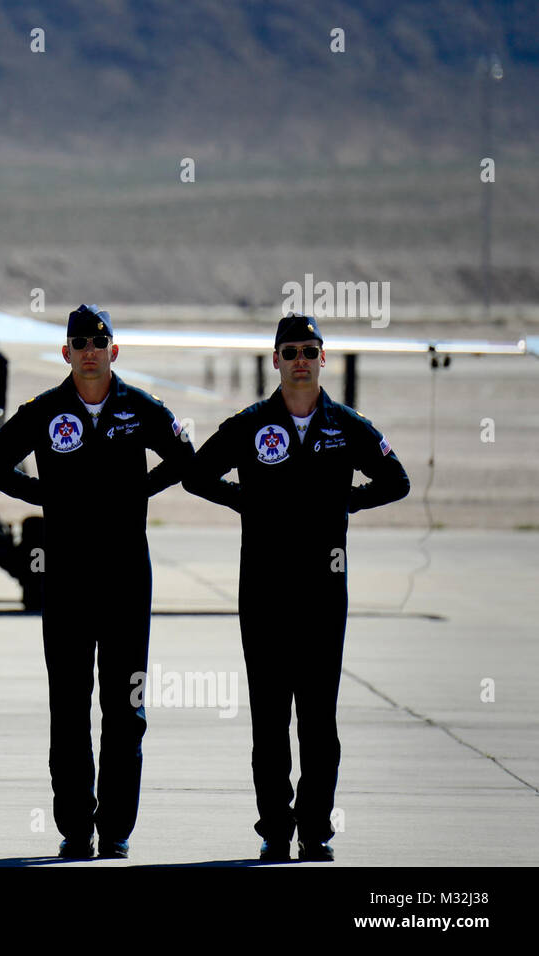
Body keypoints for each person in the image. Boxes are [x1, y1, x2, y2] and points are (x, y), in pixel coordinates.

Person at [182, 313, 410, 862]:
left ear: (323, 359)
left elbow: (397, 481)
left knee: (318, 721)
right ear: (276, 360)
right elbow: (195, 475)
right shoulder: (251, 424)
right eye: (291, 351)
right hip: (263, 592)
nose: (301, 360)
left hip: (323, 593)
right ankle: (274, 831)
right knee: (268, 721)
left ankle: (315, 831)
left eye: (310, 350)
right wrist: (247, 501)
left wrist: (345, 504)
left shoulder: (346, 425)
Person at [0, 304, 193, 860]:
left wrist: (139, 491)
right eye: (81, 342)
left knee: (127, 709)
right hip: (68, 579)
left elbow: (185, 460)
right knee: (69, 706)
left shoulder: (140, 408)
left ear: (114, 351)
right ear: (66, 353)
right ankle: (75, 828)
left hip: (126, 578)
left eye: (100, 341)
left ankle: (116, 830)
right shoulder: (45, 411)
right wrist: (43, 498)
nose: (91, 350)